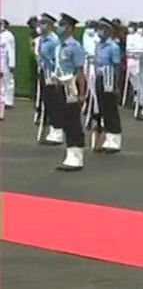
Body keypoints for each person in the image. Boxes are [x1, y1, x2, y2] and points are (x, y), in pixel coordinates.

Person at [54, 13, 87, 171]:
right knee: (65, 119)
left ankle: (77, 155)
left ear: (69, 28)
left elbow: (80, 71)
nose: (59, 27)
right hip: (60, 85)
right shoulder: (59, 45)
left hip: (71, 86)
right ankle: (70, 153)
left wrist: (81, 93)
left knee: (73, 119)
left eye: (62, 25)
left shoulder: (75, 46)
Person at [92, 18, 124, 153]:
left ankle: (115, 139)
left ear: (110, 31)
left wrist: (116, 85)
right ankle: (106, 137)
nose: (101, 31)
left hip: (109, 78)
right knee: (102, 108)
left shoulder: (113, 47)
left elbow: (116, 66)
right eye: (99, 28)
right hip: (99, 77)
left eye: (104, 29)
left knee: (111, 109)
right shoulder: (98, 45)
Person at [36, 13, 64, 145]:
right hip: (44, 72)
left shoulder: (54, 40)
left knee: (54, 103)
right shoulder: (42, 39)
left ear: (50, 25)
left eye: (44, 23)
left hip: (52, 74)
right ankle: (52, 130)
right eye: (40, 23)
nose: (41, 26)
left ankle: (57, 132)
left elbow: (57, 58)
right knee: (47, 101)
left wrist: (55, 73)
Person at [1, 19, 17, 111]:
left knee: (8, 81)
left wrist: (12, 64)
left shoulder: (8, 36)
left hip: (5, 63)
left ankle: (8, 101)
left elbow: (11, 50)